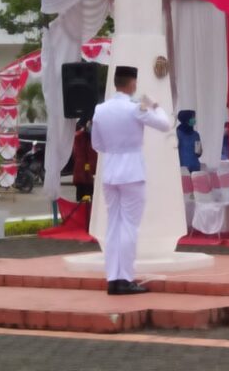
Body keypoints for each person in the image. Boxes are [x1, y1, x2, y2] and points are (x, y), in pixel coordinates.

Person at [90, 65, 172, 296]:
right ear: (133, 83)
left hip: (110, 172)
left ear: (116, 82)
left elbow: (97, 144)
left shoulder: (100, 109)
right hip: (132, 172)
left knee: (113, 226)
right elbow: (165, 124)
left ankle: (113, 278)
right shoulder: (136, 107)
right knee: (129, 226)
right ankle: (125, 278)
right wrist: (155, 105)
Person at [72, 115, 98, 202]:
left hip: (91, 174)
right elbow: (78, 154)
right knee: (82, 200)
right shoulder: (79, 137)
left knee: (92, 200)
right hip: (82, 175)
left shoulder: (95, 138)